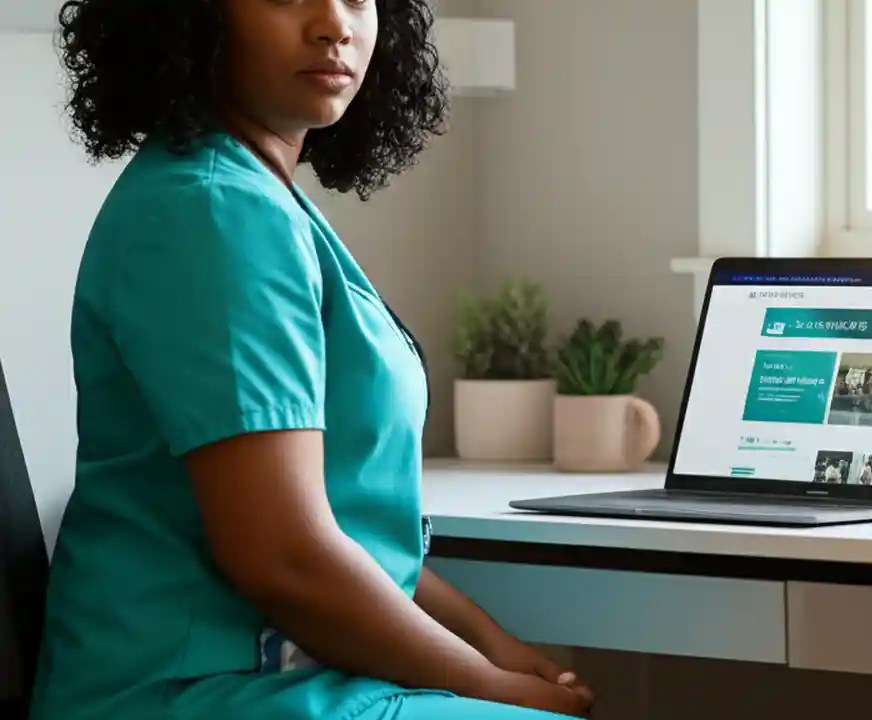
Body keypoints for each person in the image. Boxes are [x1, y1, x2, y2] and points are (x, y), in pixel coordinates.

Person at [30, 2, 594, 719]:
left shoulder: (259, 196)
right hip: (193, 693)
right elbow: (286, 558)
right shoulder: (213, 213)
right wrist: (492, 685)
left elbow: (344, 532)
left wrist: (491, 648)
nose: (334, 22)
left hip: (284, 677)